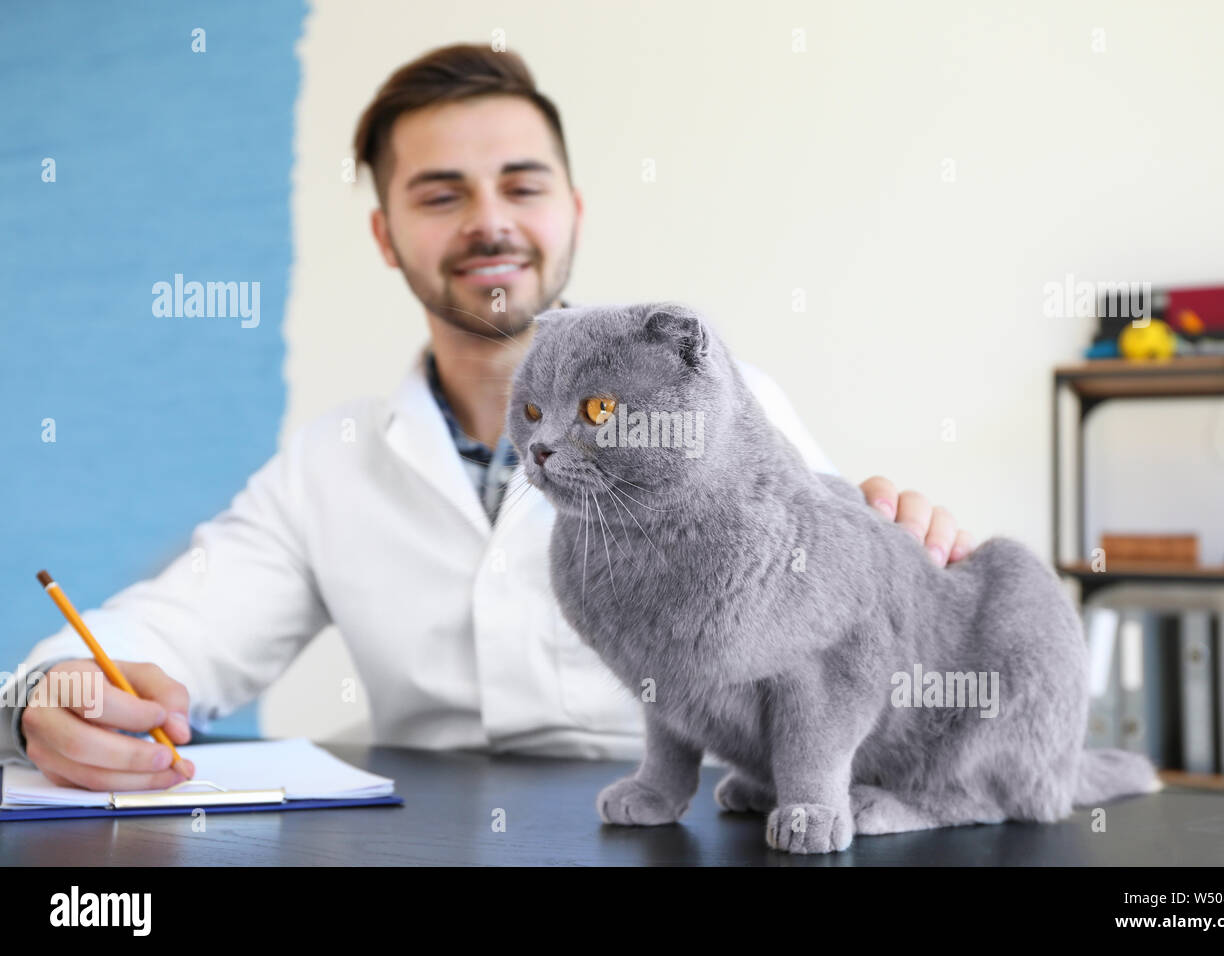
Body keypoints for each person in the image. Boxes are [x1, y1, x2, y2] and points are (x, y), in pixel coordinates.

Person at [0, 44, 976, 791]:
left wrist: (903, 556)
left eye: (521, 183)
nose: (489, 222)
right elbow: (175, 625)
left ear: (573, 209)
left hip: (697, 823)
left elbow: (842, 625)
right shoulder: (328, 467)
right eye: (440, 193)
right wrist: (43, 695)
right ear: (385, 235)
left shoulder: (732, 404)